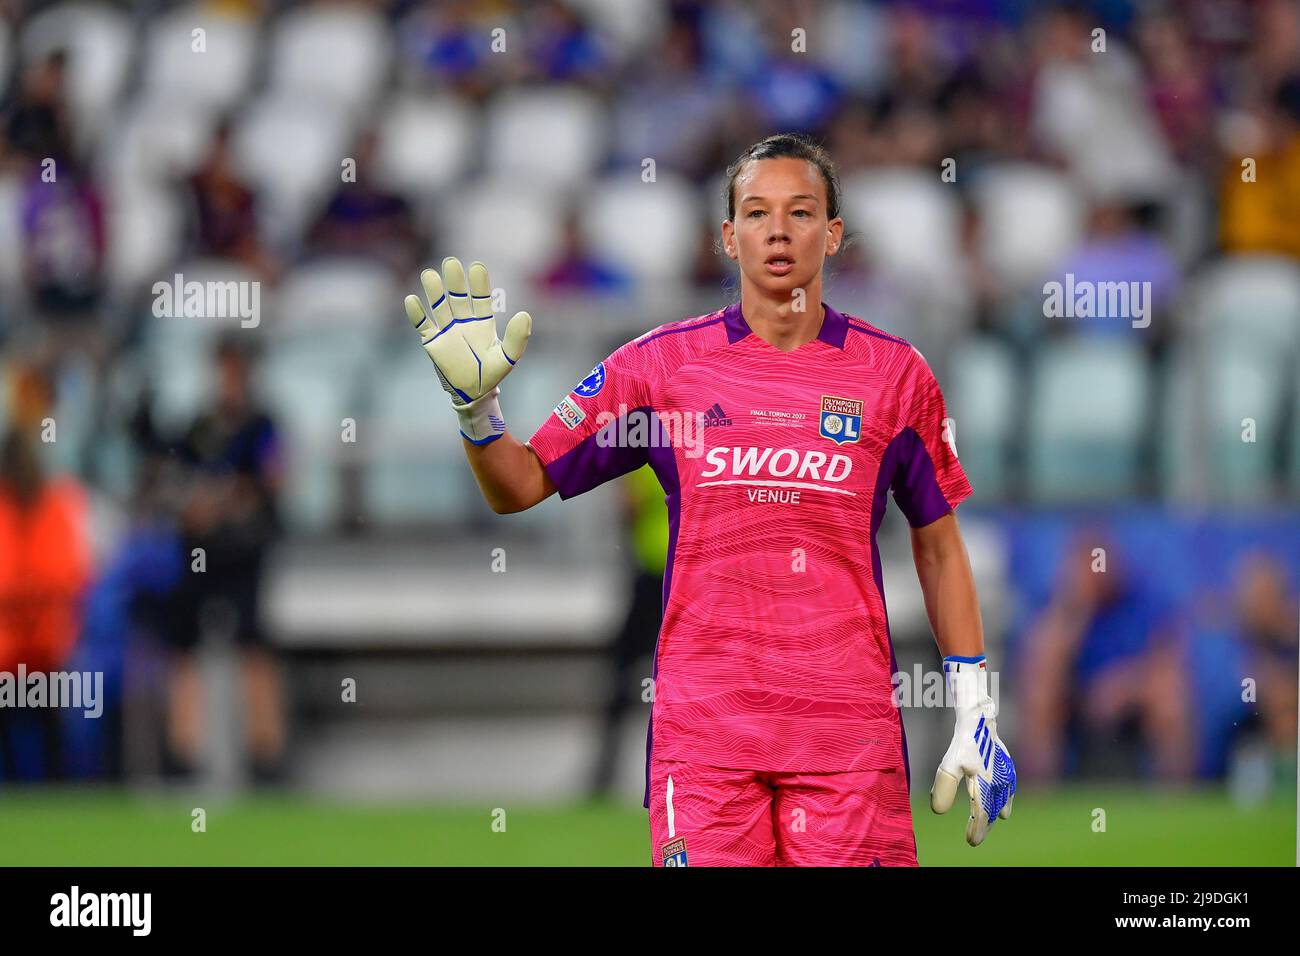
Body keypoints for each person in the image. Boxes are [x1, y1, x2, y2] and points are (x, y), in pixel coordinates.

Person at [403, 133, 1015, 866]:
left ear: (835, 232)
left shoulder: (895, 376)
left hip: (849, 742)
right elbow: (522, 483)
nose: (779, 231)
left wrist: (974, 703)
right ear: (729, 237)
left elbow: (939, 545)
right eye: (757, 213)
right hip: (705, 747)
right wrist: (478, 414)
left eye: (801, 212)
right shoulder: (662, 368)